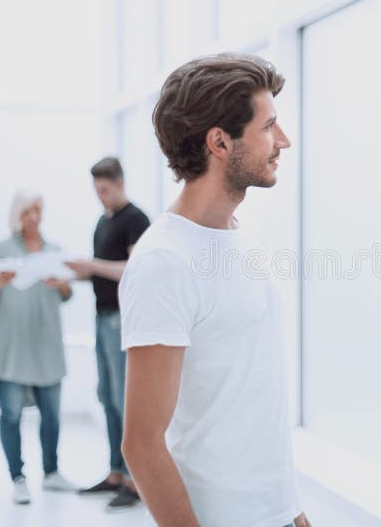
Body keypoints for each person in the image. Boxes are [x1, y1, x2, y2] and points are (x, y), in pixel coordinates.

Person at [119, 54, 310, 527]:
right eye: (269, 127)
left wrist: (292, 511)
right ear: (220, 141)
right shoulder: (164, 262)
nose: (283, 141)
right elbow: (141, 443)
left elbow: (251, 394)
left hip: (277, 513)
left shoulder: (238, 235)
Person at [0, 190, 76, 504]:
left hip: (46, 348)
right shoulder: (1, 250)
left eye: (37, 210)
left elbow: (67, 293)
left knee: (52, 415)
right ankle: (17, 477)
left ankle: (51, 472)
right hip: (12, 351)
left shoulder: (54, 251)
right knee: (11, 415)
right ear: (16, 215)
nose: (32, 217)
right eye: (26, 211)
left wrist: (61, 283)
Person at [66, 157, 150, 511]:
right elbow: (102, 271)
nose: (100, 197)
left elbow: (135, 269)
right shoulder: (103, 222)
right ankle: (115, 473)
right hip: (101, 319)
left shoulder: (136, 220)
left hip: (122, 320)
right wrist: (72, 274)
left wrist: (92, 265)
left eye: (104, 189)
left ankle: (134, 480)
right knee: (107, 399)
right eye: (96, 191)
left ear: (119, 182)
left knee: (123, 399)